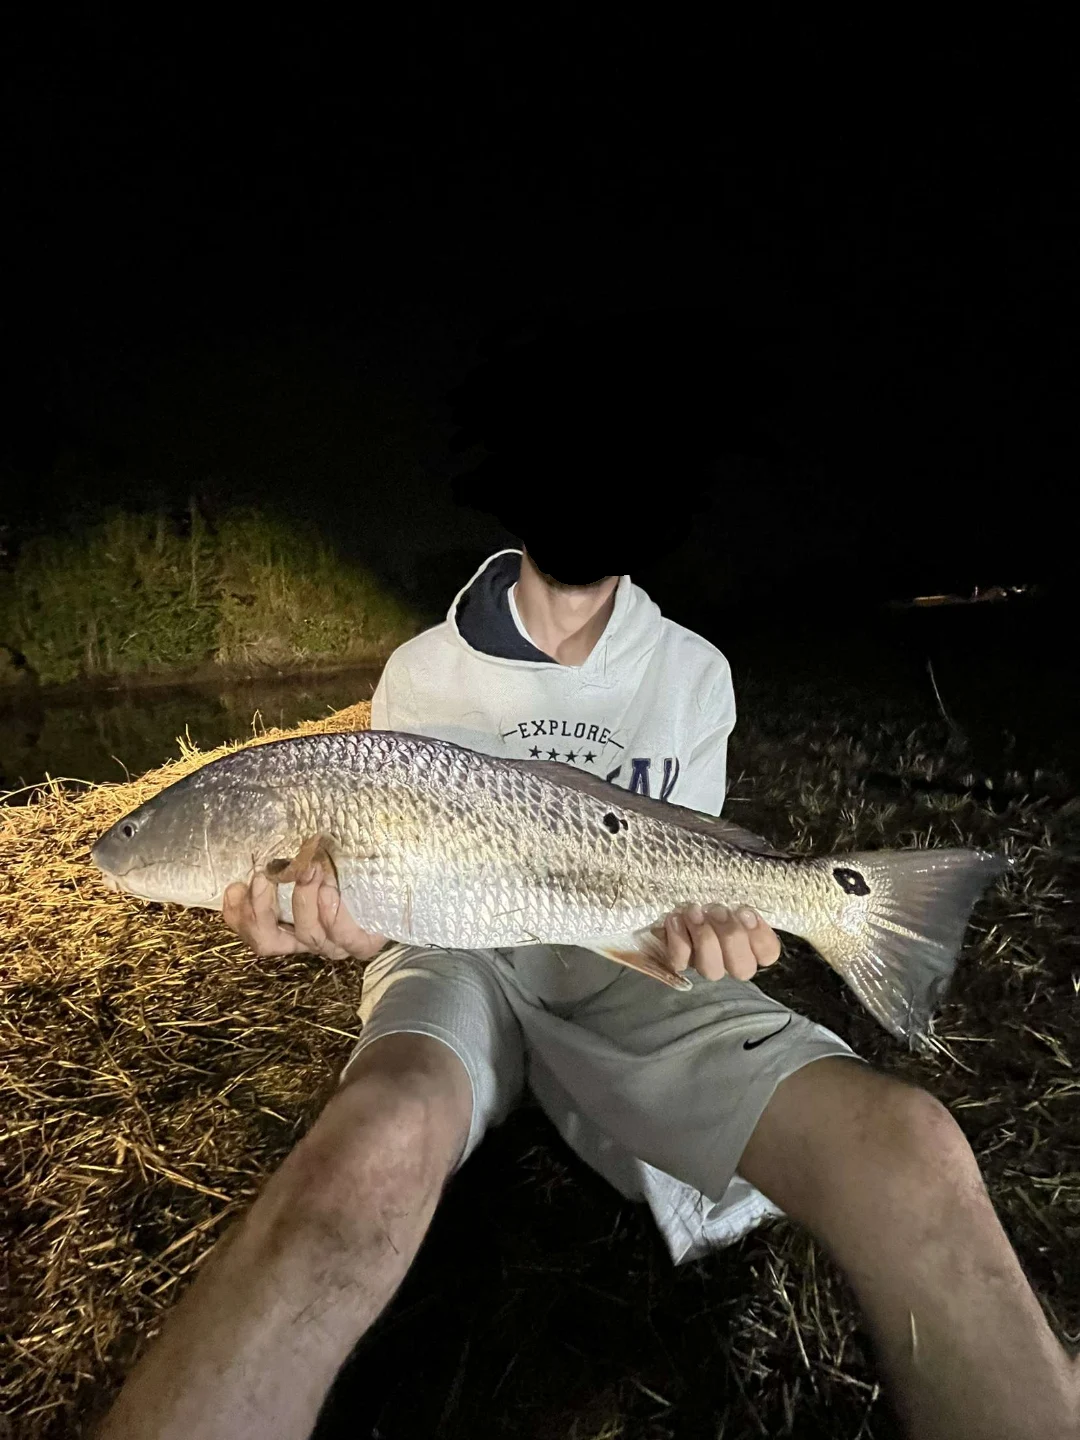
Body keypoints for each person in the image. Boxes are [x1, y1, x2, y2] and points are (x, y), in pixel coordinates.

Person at [98, 312, 1077, 1438]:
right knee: (360, 1158)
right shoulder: (420, 670)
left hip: (626, 963)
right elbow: (389, 906)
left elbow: (684, 881)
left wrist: (722, 930)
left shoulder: (694, 673)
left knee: (915, 1151)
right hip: (456, 961)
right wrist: (342, 931)